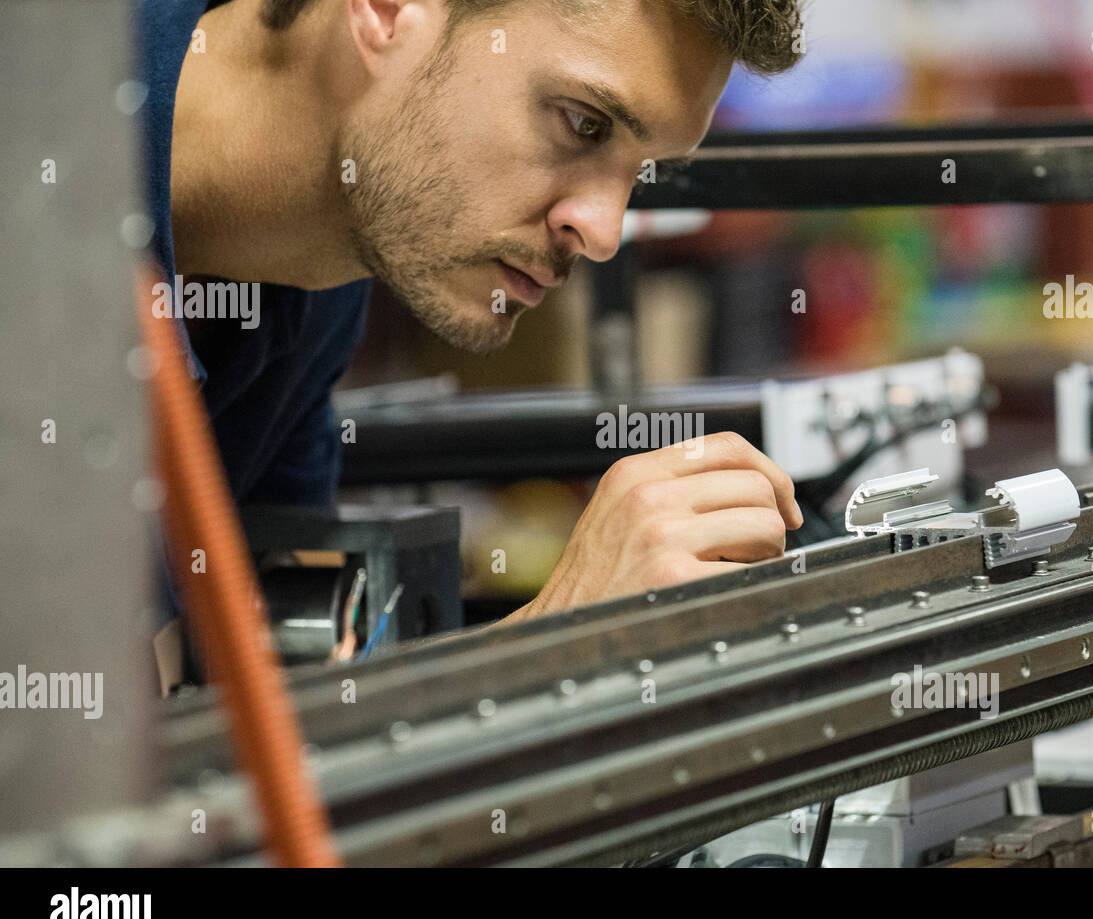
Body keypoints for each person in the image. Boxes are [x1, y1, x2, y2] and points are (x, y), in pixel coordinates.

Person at [136, 0, 806, 642]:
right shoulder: (47, 162)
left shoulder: (320, 280)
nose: (603, 233)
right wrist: (556, 638)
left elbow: (264, 701)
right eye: (583, 123)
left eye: (643, 175)